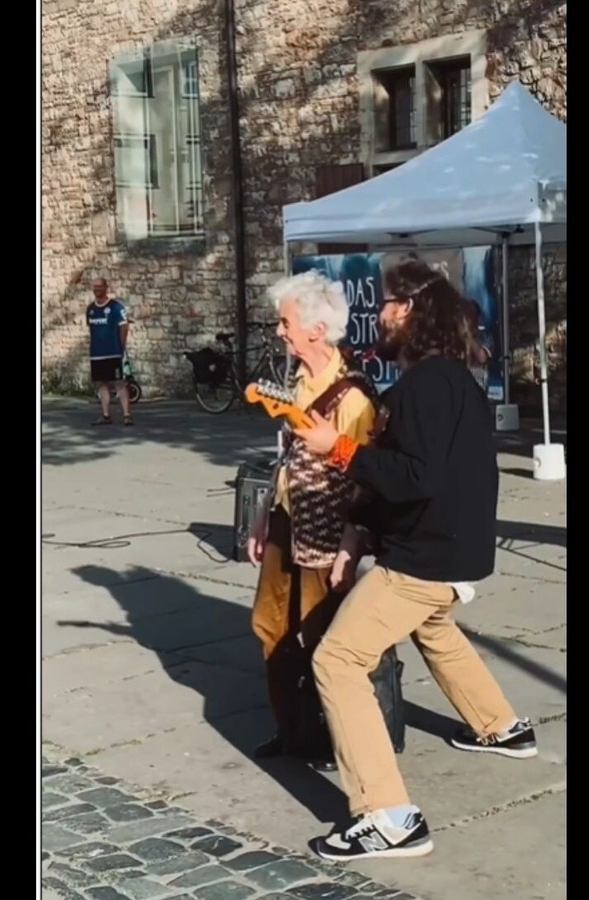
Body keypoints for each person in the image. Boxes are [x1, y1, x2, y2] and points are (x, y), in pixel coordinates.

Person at [292, 259, 537, 862]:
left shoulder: (426, 384)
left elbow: (416, 477)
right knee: (434, 628)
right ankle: (501, 726)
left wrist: (339, 448)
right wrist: (363, 531)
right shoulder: (453, 378)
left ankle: (387, 816)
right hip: (450, 548)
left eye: (388, 304)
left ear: (412, 311)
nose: (381, 313)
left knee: (340, 659)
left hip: (427, 554)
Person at [246, 270, 379, 771]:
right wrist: (262, 516)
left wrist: (352, 542)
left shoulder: (355, 398)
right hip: (287, 516)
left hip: (328, 530)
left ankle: (329, 737)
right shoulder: (297, 382)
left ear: (315, 331)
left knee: (321, 635)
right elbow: (287, 460)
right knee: (269, 622)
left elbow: (367, 479)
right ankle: (292, 729)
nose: (280, 331)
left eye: (286, 323)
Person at [86, 277, 133, 426]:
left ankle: (126, 415)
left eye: (100, 286)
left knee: (120, 383)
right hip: (97, 354)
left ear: (106, 287)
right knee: (102, 384)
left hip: (113, 352)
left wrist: (121, 346)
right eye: (95, 287)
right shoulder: (90, 309)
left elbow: (124, 327)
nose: (97, 289)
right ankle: (106, 415)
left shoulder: (116, 307)